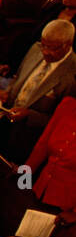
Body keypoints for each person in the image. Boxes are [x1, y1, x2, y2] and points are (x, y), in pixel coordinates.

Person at [0, 19, 76, 155]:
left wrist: (29, 115)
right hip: (4, 126)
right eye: (44, 45)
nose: (45, 52)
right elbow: (19, 77)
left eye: (52, 48)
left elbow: (61, 123)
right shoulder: (35, 49)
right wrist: (8, 92)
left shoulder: (72, 74)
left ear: (68, 45)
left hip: (29, 141)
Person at [25, 95, 76, 226]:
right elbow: (42, 144)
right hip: (40, 189)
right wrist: (24, 174)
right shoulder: (67, 105)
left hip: (66, 208)